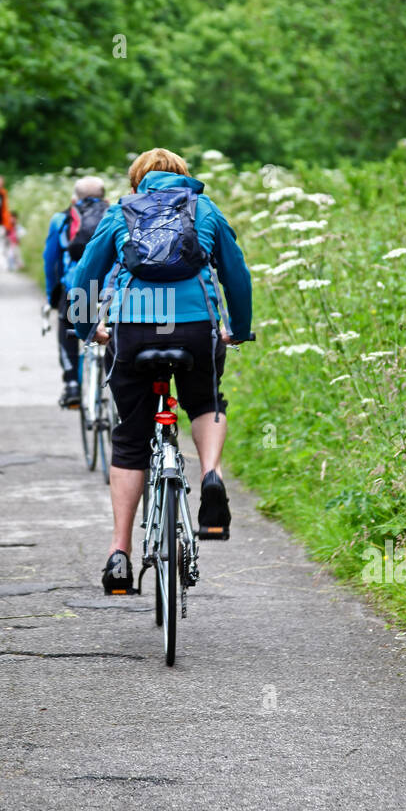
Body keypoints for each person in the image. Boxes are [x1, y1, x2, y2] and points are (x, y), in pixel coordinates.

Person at [69, 147, 252, 594]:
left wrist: (86, 327)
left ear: (137, 183)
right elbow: (237, 275)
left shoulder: (120, 213)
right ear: (185, 177)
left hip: (134, 333)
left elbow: (85, 277)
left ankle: (119, 553)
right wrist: (238, 329)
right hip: (196, 330)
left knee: (131, 437)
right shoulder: (204, 209)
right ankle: (211, 473)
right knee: (206, 402)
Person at [43, 176, 108, 408]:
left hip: (76, 290)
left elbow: (51, 262)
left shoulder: (61, 219)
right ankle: (118, 382)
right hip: (111, 291)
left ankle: (71, 384)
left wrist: (53, 295)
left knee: (67, 328)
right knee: (115, 332)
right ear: (105, 198)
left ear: (74, 199)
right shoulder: (117, 214)